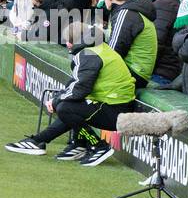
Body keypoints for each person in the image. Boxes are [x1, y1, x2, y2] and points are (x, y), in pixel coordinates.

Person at [5, 19, 136, 165]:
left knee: (66, 108)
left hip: (114, 109)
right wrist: (59, 97)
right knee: (69, 105)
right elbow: (77, 83)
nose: (67, 44)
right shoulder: (97, 47)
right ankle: (47, 142)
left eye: (69, 40)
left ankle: (98, 146)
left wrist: (56, 101)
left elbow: (80, 88)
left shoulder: (88, 54)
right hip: (116, 105)